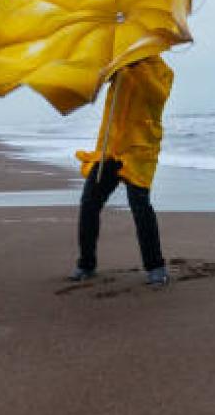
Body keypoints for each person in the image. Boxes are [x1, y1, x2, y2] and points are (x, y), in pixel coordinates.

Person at [70, 55, 174, 286]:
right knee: (89, 203)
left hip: (139, 152)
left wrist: (134, 67)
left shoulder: (163, 71)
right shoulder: (118, 67)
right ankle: (86, 264)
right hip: (110, 149)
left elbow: (157, 96)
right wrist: (110, 70)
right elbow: (93, 86)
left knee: (140, 205)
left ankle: (156, 267)